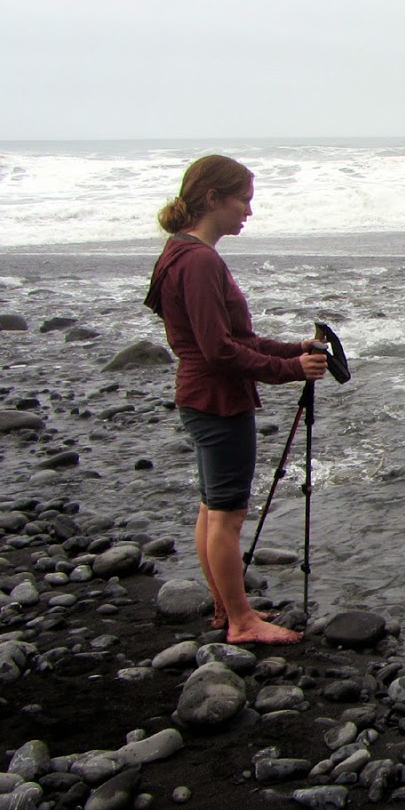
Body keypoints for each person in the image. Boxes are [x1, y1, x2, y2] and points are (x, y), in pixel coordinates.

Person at [144, 155, 328, 645]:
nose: (248, 211)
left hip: (199, 394)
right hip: (217, 399)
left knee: (211, 507)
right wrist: (291, 370)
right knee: (227, 515)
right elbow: (219, 350)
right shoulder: (200, 260)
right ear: (213, 199)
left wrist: (294, 350)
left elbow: (230, 338)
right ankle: (243, 622)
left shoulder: (177, 253)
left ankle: (227, 606)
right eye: (243, 199)